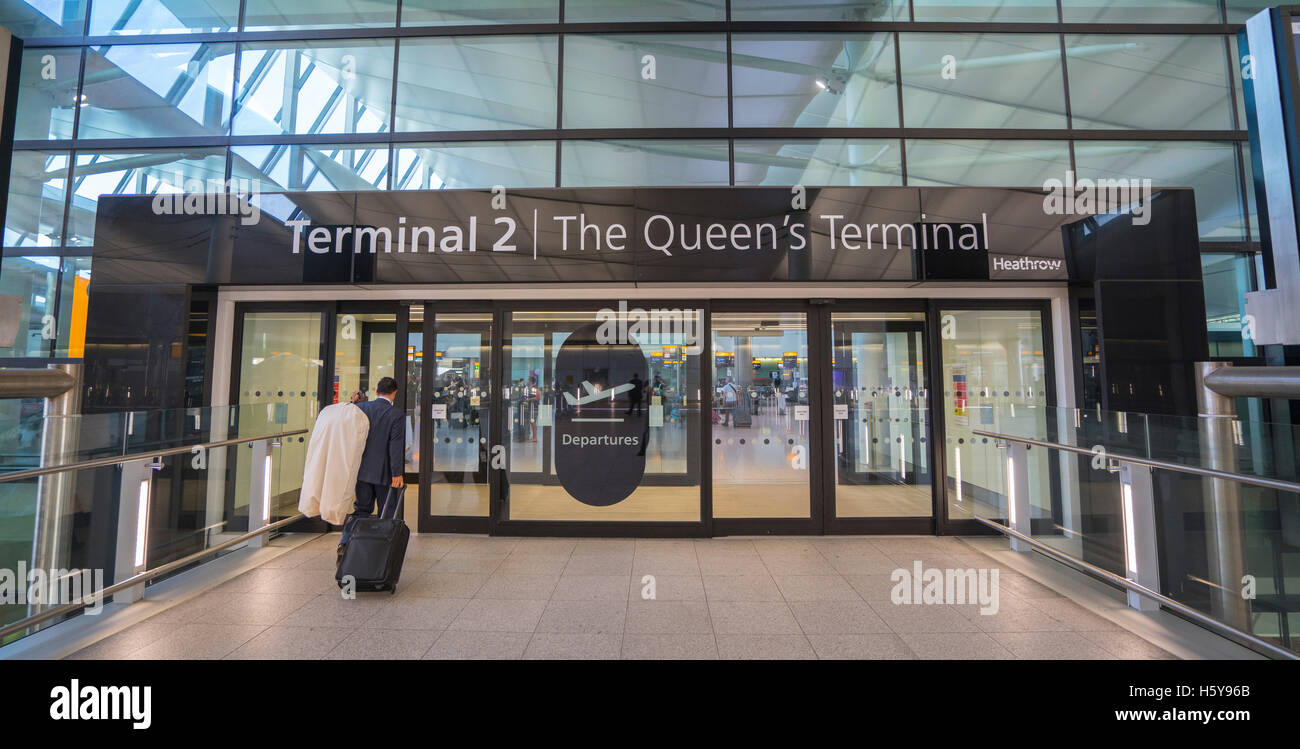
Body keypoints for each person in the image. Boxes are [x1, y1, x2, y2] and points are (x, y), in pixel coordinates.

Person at [353, 376, 405, 517]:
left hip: (362, 470)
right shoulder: (396, 415)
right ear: (395, 392)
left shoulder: (360, 408)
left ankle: (351, 538)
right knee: (387, 511)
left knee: (361, 509)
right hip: (385, 472)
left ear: (377, 391)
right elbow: (395, 445)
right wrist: (397, 473)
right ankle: (383, 539)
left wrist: (353, 402)